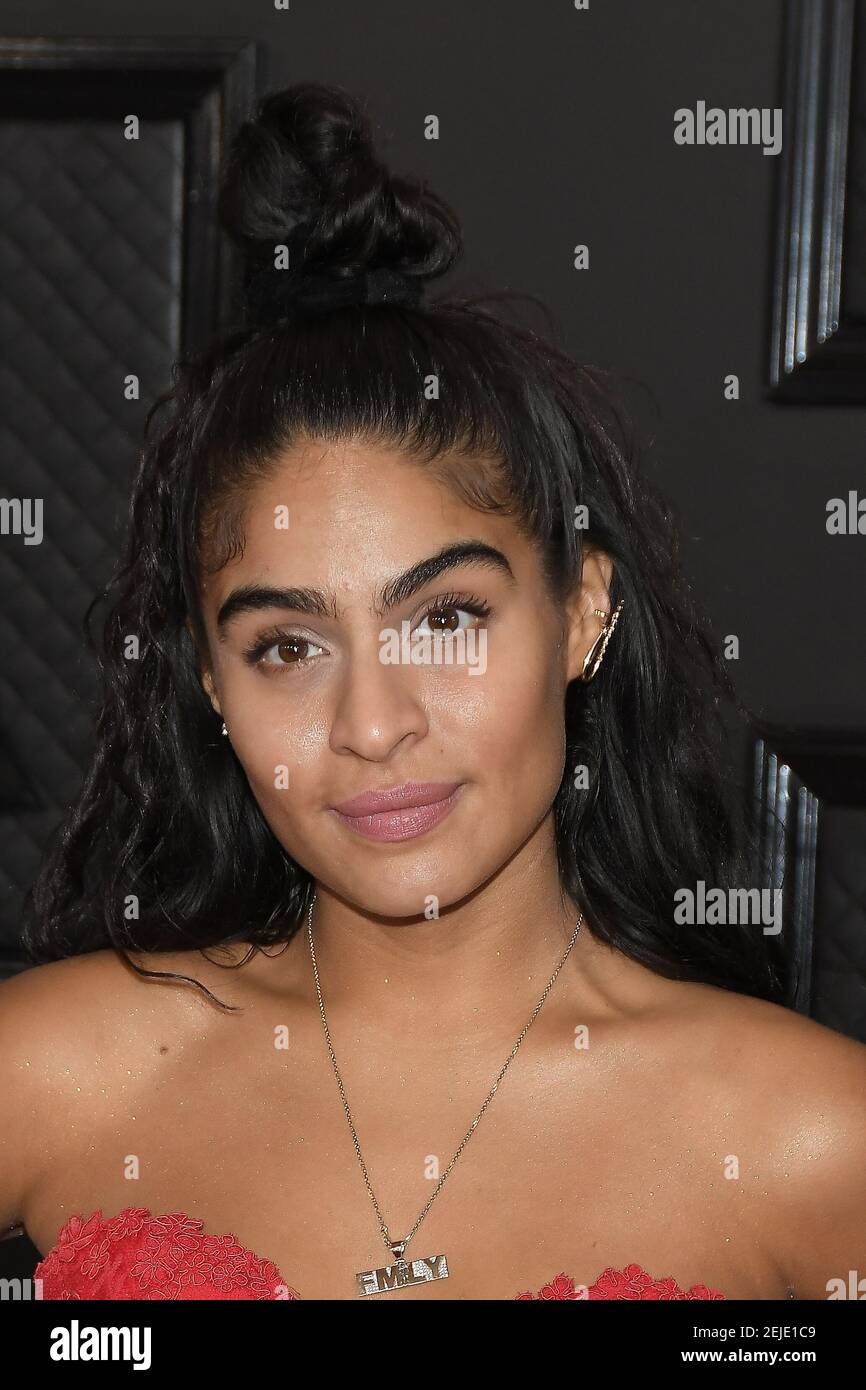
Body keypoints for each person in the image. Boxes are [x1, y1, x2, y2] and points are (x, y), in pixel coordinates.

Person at [1, 81, 864, 1302]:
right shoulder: (52, 1071)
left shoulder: (813, 1141)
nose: (369, 725)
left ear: (581, 613)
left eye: (445, 619)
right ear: (208, 681)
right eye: (287, 647)